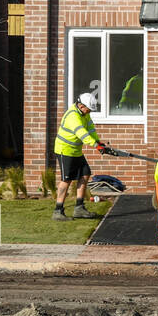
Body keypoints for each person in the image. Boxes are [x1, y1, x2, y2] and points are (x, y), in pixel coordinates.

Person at [53, 92, 110, 221]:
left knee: (85, 173)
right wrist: (95, 145)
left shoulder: (85, 115)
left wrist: (98, 142)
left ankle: (79, 208)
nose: (89, 112)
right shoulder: (73, 116)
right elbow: (82, 134)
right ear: (81, 105)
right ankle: (58, 210)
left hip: (76, 151)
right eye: (88, 109)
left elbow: (90, 130)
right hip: (64, 150)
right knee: (66, 179)